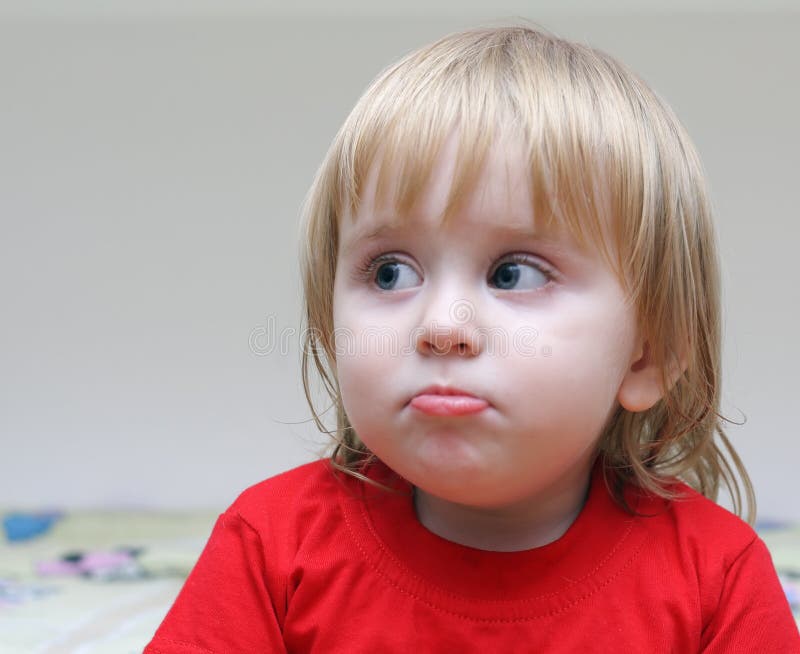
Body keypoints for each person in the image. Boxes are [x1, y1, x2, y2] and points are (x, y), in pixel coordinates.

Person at [144, 24, 800, 652]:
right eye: (390, 271)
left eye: (513, 273)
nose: (442, 327)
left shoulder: (718, 579)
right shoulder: (268, 547)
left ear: (647, 353)